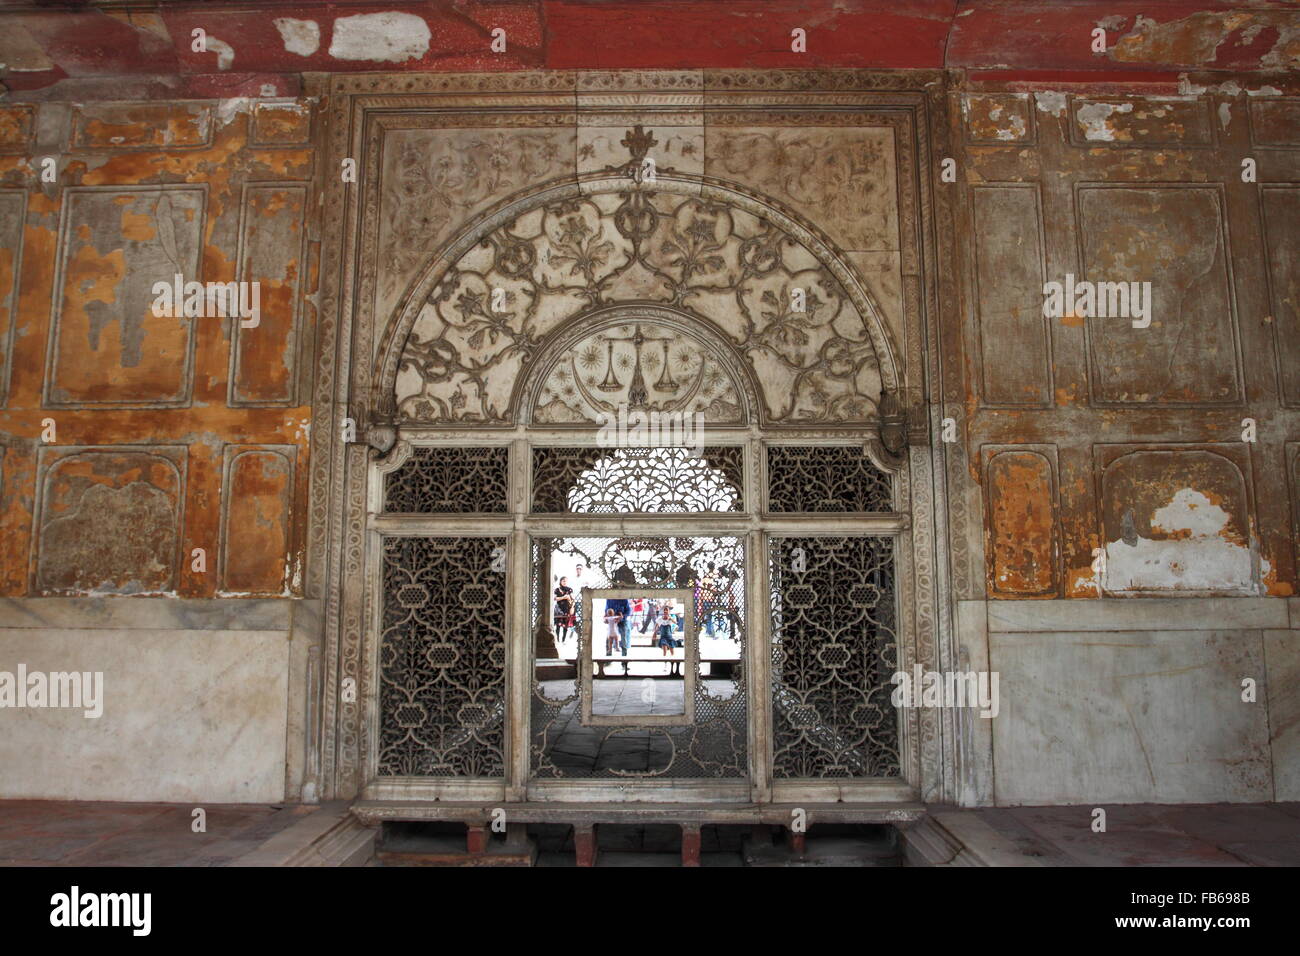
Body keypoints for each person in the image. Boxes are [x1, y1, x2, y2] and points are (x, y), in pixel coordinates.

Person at [553, 576, 575, 642]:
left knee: (565, 625)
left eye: (566, 581)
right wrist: (563, 597)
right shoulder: (557, 590)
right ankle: (557, 640)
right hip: (559, 609)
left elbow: (572, 599)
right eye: (563, 581)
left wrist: (571, 604)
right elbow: (555, 598)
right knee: (558, 625)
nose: (564, 582)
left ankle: (563, 640)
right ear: (560, 582)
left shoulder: (569, 590)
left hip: (566, 608)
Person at [656, 605, 676, 670]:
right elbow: (656, 626)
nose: (665, 612)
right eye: (665, 611)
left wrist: (671, 619)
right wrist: (655, 633)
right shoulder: (660, 619)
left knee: (672, 651)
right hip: (663, 637)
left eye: (667, 611)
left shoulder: (670, 618)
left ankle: (673, 665)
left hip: (669, 637)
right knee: (664, 651)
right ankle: (665, 665)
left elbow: (675, 623)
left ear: (669, 612)